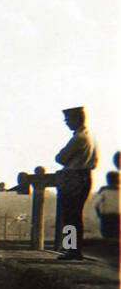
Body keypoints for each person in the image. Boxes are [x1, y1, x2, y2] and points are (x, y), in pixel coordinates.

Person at [54, 106, 98, 260]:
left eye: (68, 119)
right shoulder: (91, 136)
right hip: (86, 176)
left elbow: (59, 158)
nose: (66, 122)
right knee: (75, 214)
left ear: (76, 119)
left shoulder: (78, 138)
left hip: (73, 177)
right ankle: (73, 249)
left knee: (69, 215)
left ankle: (70, 250)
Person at [91, 169, 119, 240]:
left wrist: (99, 214)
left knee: (107, 237)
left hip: (107, 217)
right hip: (116, 216)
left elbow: (96, 204)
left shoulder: (103, 191)